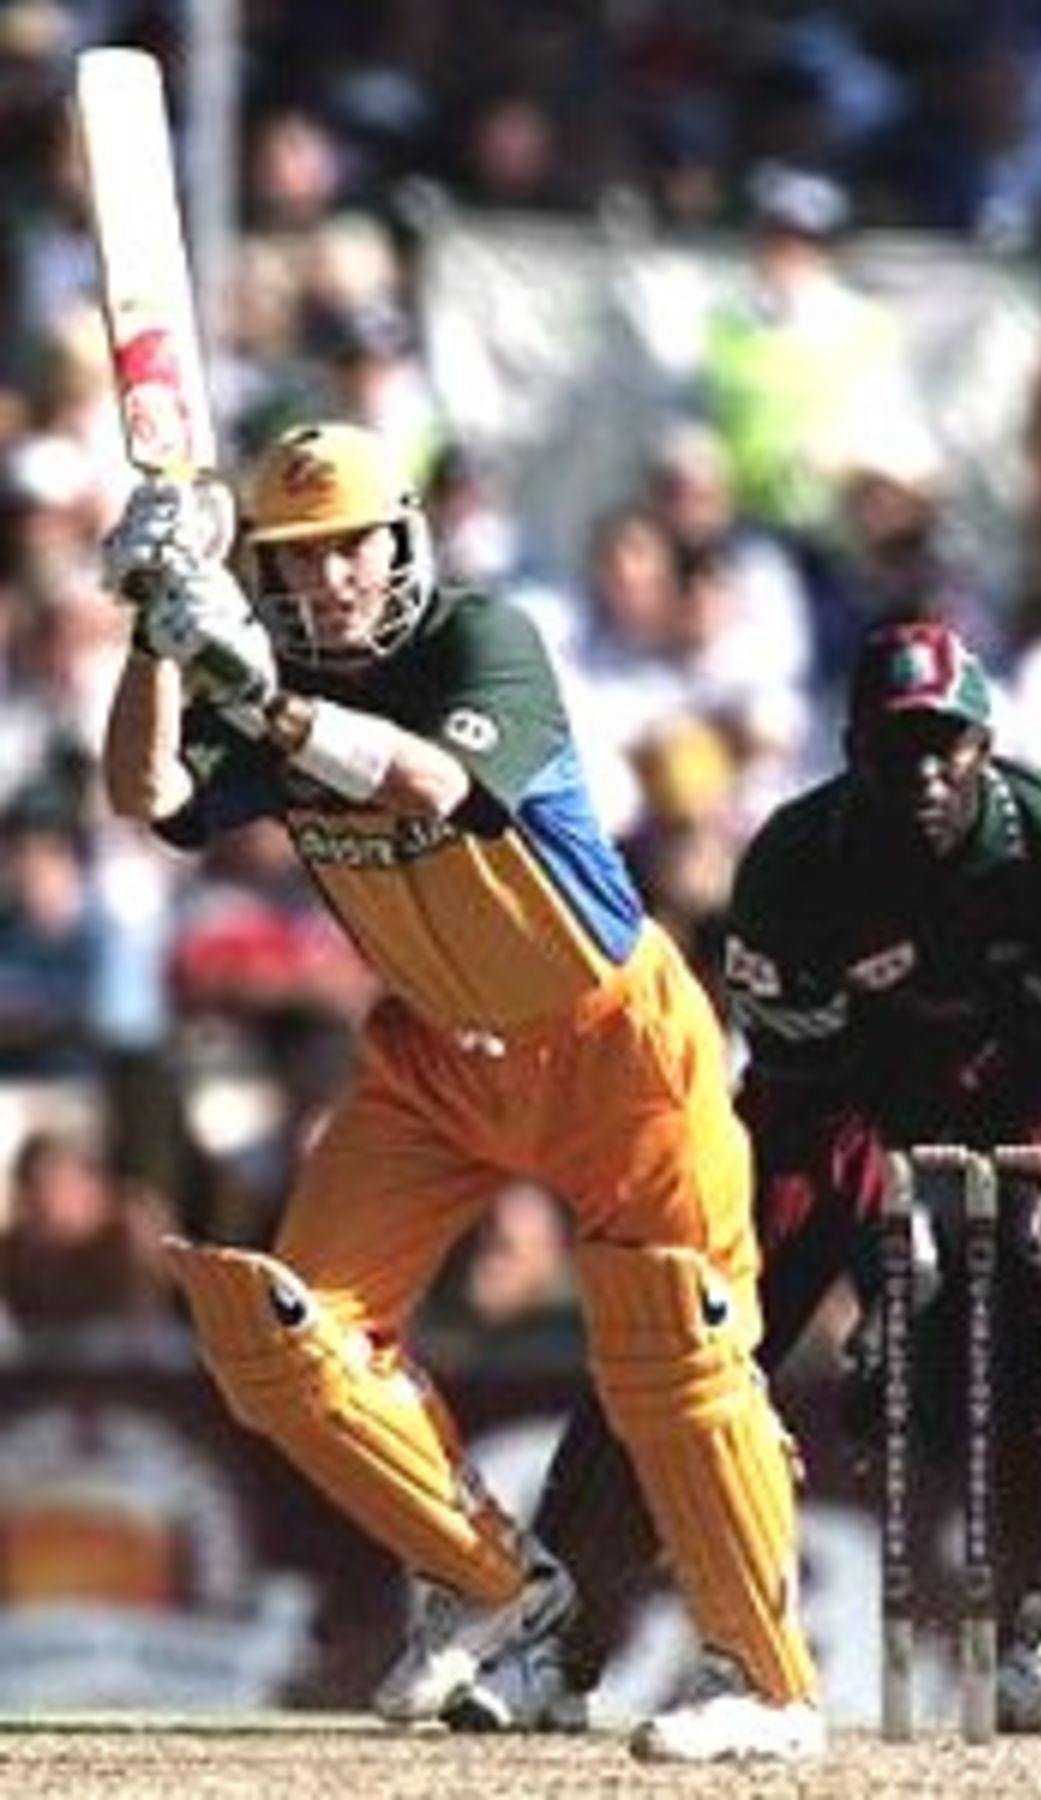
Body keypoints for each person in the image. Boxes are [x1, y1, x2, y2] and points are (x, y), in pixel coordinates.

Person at [96, 420, 825, 1764]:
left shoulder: (483, 645)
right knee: (283, 1334)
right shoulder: (258, 666)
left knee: (678, 1349)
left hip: (617, 1042)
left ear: (405, 540)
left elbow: (436, 782)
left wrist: (259, 699)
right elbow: (142, 790)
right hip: (437, 1059)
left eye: (349, 551)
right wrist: (152, 627)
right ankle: (494, 1585)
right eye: (296, 561)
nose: (327, 585)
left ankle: (769, 1690)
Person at [463, 617, 1041, 1737]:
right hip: (835, 1098)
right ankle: (556, 1640)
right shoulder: (793, 865)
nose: (924, 774)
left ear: (986, 744)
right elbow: (806, 1083)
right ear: (852, 751)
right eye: (897, 748)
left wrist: (994, 1250)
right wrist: (888, 1266)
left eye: (947, 745)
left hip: (1025, 1095)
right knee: (683, 1324)